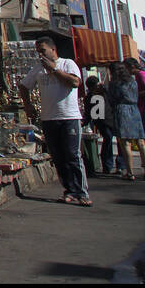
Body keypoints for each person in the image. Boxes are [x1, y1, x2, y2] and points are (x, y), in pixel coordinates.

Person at [19, 36, 90, 206]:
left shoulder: (67, 64)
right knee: (58, 157)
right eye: (38, 52)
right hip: (49, 118)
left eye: (42, 50)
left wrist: (54, 70)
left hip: (69, 117)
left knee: (72, 155)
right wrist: (28, 105)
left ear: (53, 49)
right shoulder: (37, 69)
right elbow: (23, 86)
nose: (40, 55)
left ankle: (81, 192)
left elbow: (75, 82)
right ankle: (69, 190)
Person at [108, 61, 145, 180]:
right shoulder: (133, 81)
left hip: (121, 110)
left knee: (125, 143)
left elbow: (112, 99)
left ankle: (130, 173)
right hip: (135, 109)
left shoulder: (114, 83)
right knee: (141, 142)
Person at [84, 74, 125, 176]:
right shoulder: (90, 97)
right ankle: (108, 165)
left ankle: (119, 165)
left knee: (118, 141)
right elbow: (89, 112)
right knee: (108, 138)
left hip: (110, 119)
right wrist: (85, 121)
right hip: (102, 121)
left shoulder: (105, 92)